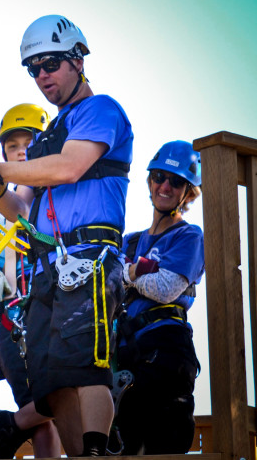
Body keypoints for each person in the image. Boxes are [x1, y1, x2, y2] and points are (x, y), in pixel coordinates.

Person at [0, 15, 133, 456]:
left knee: (86, 365)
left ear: (78, 60)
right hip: (48, 267)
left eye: (51, 64)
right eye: (33, 68)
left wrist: (0, 168)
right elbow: (21, 211)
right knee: (50, 379)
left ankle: (97, 451)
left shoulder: (101, 111)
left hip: (90, 256)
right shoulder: (44, 139)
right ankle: (81, 454)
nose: (42, 76)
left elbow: (70, 167)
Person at [0, 104, 61, 458]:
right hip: (9, 315)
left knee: (54, 396)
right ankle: (17, 424)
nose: (20, 151)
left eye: (29, 142)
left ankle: (8, 426)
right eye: (13, 145)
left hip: (49, 307)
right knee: (35, 406)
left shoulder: (54, 194)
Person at [115, 141, 204, 454]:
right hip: (125, 354)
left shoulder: (188, 236)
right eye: (159, 176)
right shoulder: (129, 242)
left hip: (167, 349)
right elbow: (109, 284)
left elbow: (166, 288)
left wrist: (129, 275)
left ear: (188, 192)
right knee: (125, 448)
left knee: (164, 448)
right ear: (150, 180)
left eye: (176, 181)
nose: (165, 186)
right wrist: (137, 272)